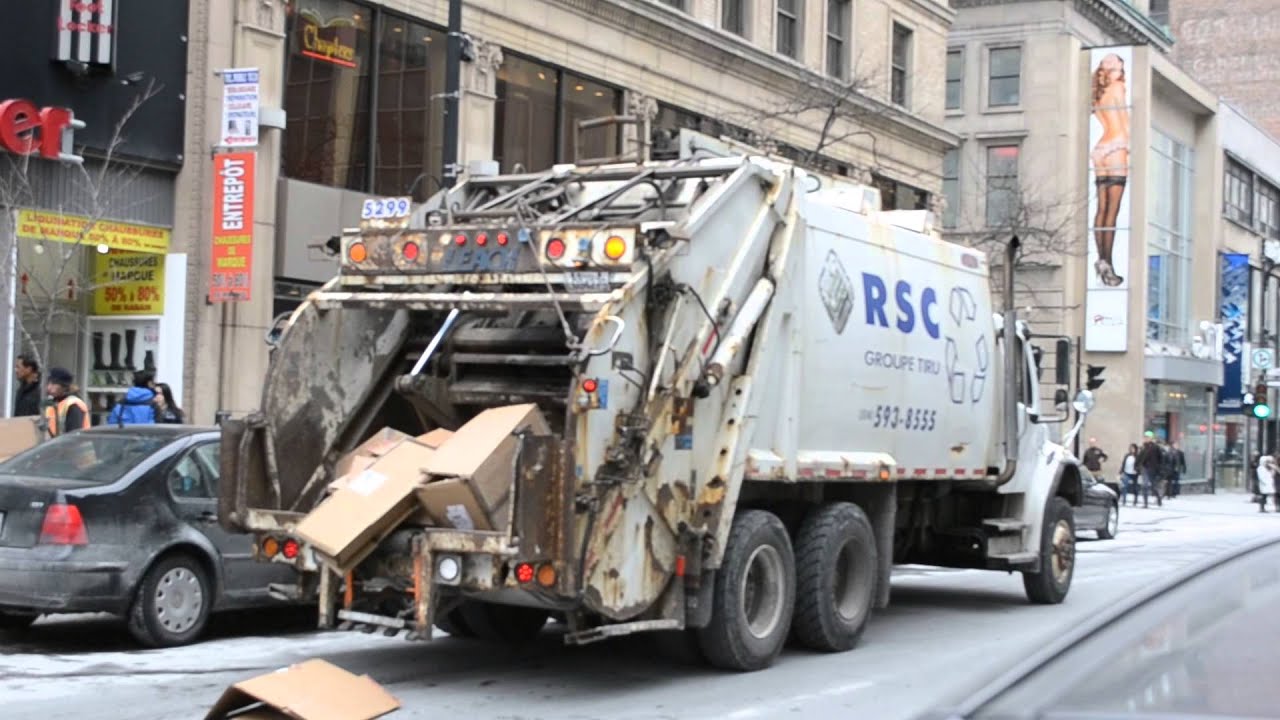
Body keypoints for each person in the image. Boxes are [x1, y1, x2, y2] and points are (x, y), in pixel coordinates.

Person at [1091, 53, 1130, 288]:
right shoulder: (1118, 87)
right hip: (1116, 147)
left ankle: (1102, 259)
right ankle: (1109, 263)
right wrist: (1129, 143)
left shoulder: (1098, 92)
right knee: (1111, 213)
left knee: (1101, 209)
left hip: (1101, 148)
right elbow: (1124, 120)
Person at [44, 367, 89, 437]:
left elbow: (73, 435)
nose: (49, 387)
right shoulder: (52, 402)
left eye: (53, 384)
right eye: (48, 383)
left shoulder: (74, 404)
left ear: (64, 386)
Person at [1136, 432, 1163, 508]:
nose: (1146, 438)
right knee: (1144, 485)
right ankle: (1145, 503)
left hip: (1152, 469)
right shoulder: (1143, 447)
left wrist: (1159, 468)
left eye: (1147, 437)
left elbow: (1160, 458)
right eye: (1145, 437)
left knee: (1153, 487)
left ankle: (1158, 498)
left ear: (1151, 438)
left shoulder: (1155, 447)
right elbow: (1139, 457)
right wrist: (1137, 466)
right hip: (1144, 468)